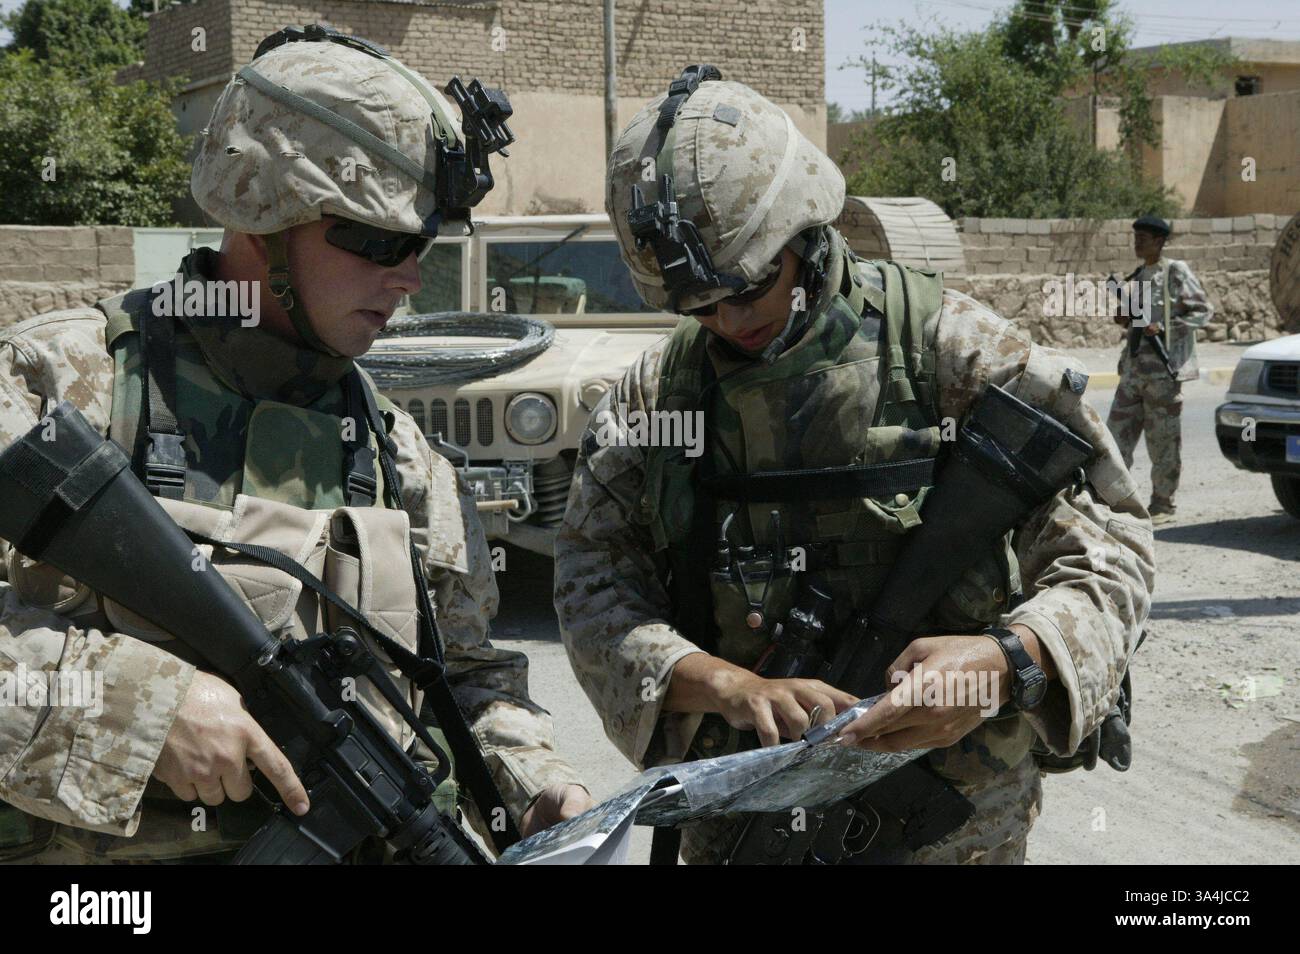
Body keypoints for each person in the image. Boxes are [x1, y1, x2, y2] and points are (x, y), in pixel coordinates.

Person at [0, 25, 590, 864]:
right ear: (265, 214)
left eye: (422, 247)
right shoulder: (59, 380)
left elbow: (466, 676)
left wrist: (536, 785)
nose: (409, 277)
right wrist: (140, 710)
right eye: (380, 242)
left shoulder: (401, 457)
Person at [554, 66, 1154, 864]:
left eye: (750, 284)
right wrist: (722, 683)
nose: (730, 321)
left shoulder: (952, 352)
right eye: (698, 305)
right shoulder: (660, 397)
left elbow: (1112, 546)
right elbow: (592, 583)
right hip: (745, 821)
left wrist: (1005, 662)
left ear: (803, 230)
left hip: (958, 826)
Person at [1105, 215, 1214, 525]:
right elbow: (1134, 319)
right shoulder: (1138, 275)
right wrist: (1125, 318)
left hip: (1163, 373)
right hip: (1133, 370)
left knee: (1162, 440)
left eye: (1144, 237)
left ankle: (1163, 503)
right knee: (1115, 438)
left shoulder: (1175, 272)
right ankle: (1116, 501)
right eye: (1135, 237)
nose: (1137, 242)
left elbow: (1203, 311)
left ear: (1160, 241)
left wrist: (1165, 328)